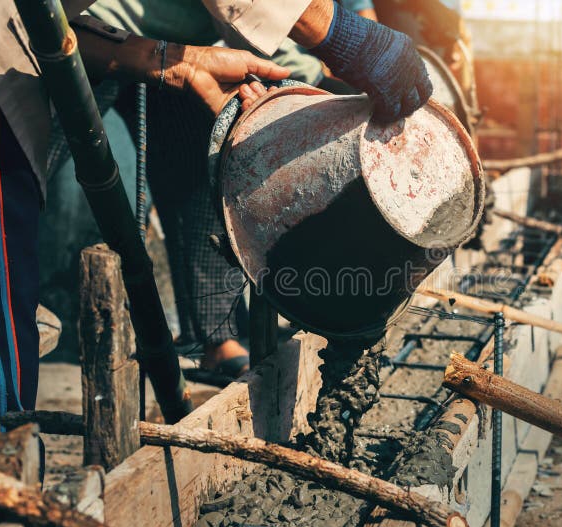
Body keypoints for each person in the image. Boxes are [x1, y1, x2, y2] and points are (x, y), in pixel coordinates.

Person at [0, 0, 431, 456]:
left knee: (6, 283)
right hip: (1, 48)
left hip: (73, 37)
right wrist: (342, 37)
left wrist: (175, 60)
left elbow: (53, 28)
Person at [85, 0, 431, 376]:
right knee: (27, 170)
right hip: (96, 25)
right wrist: (329, 55)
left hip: (180, 44)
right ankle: (214, 338)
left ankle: (218, 334)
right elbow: (262, 18)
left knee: (203, 178)